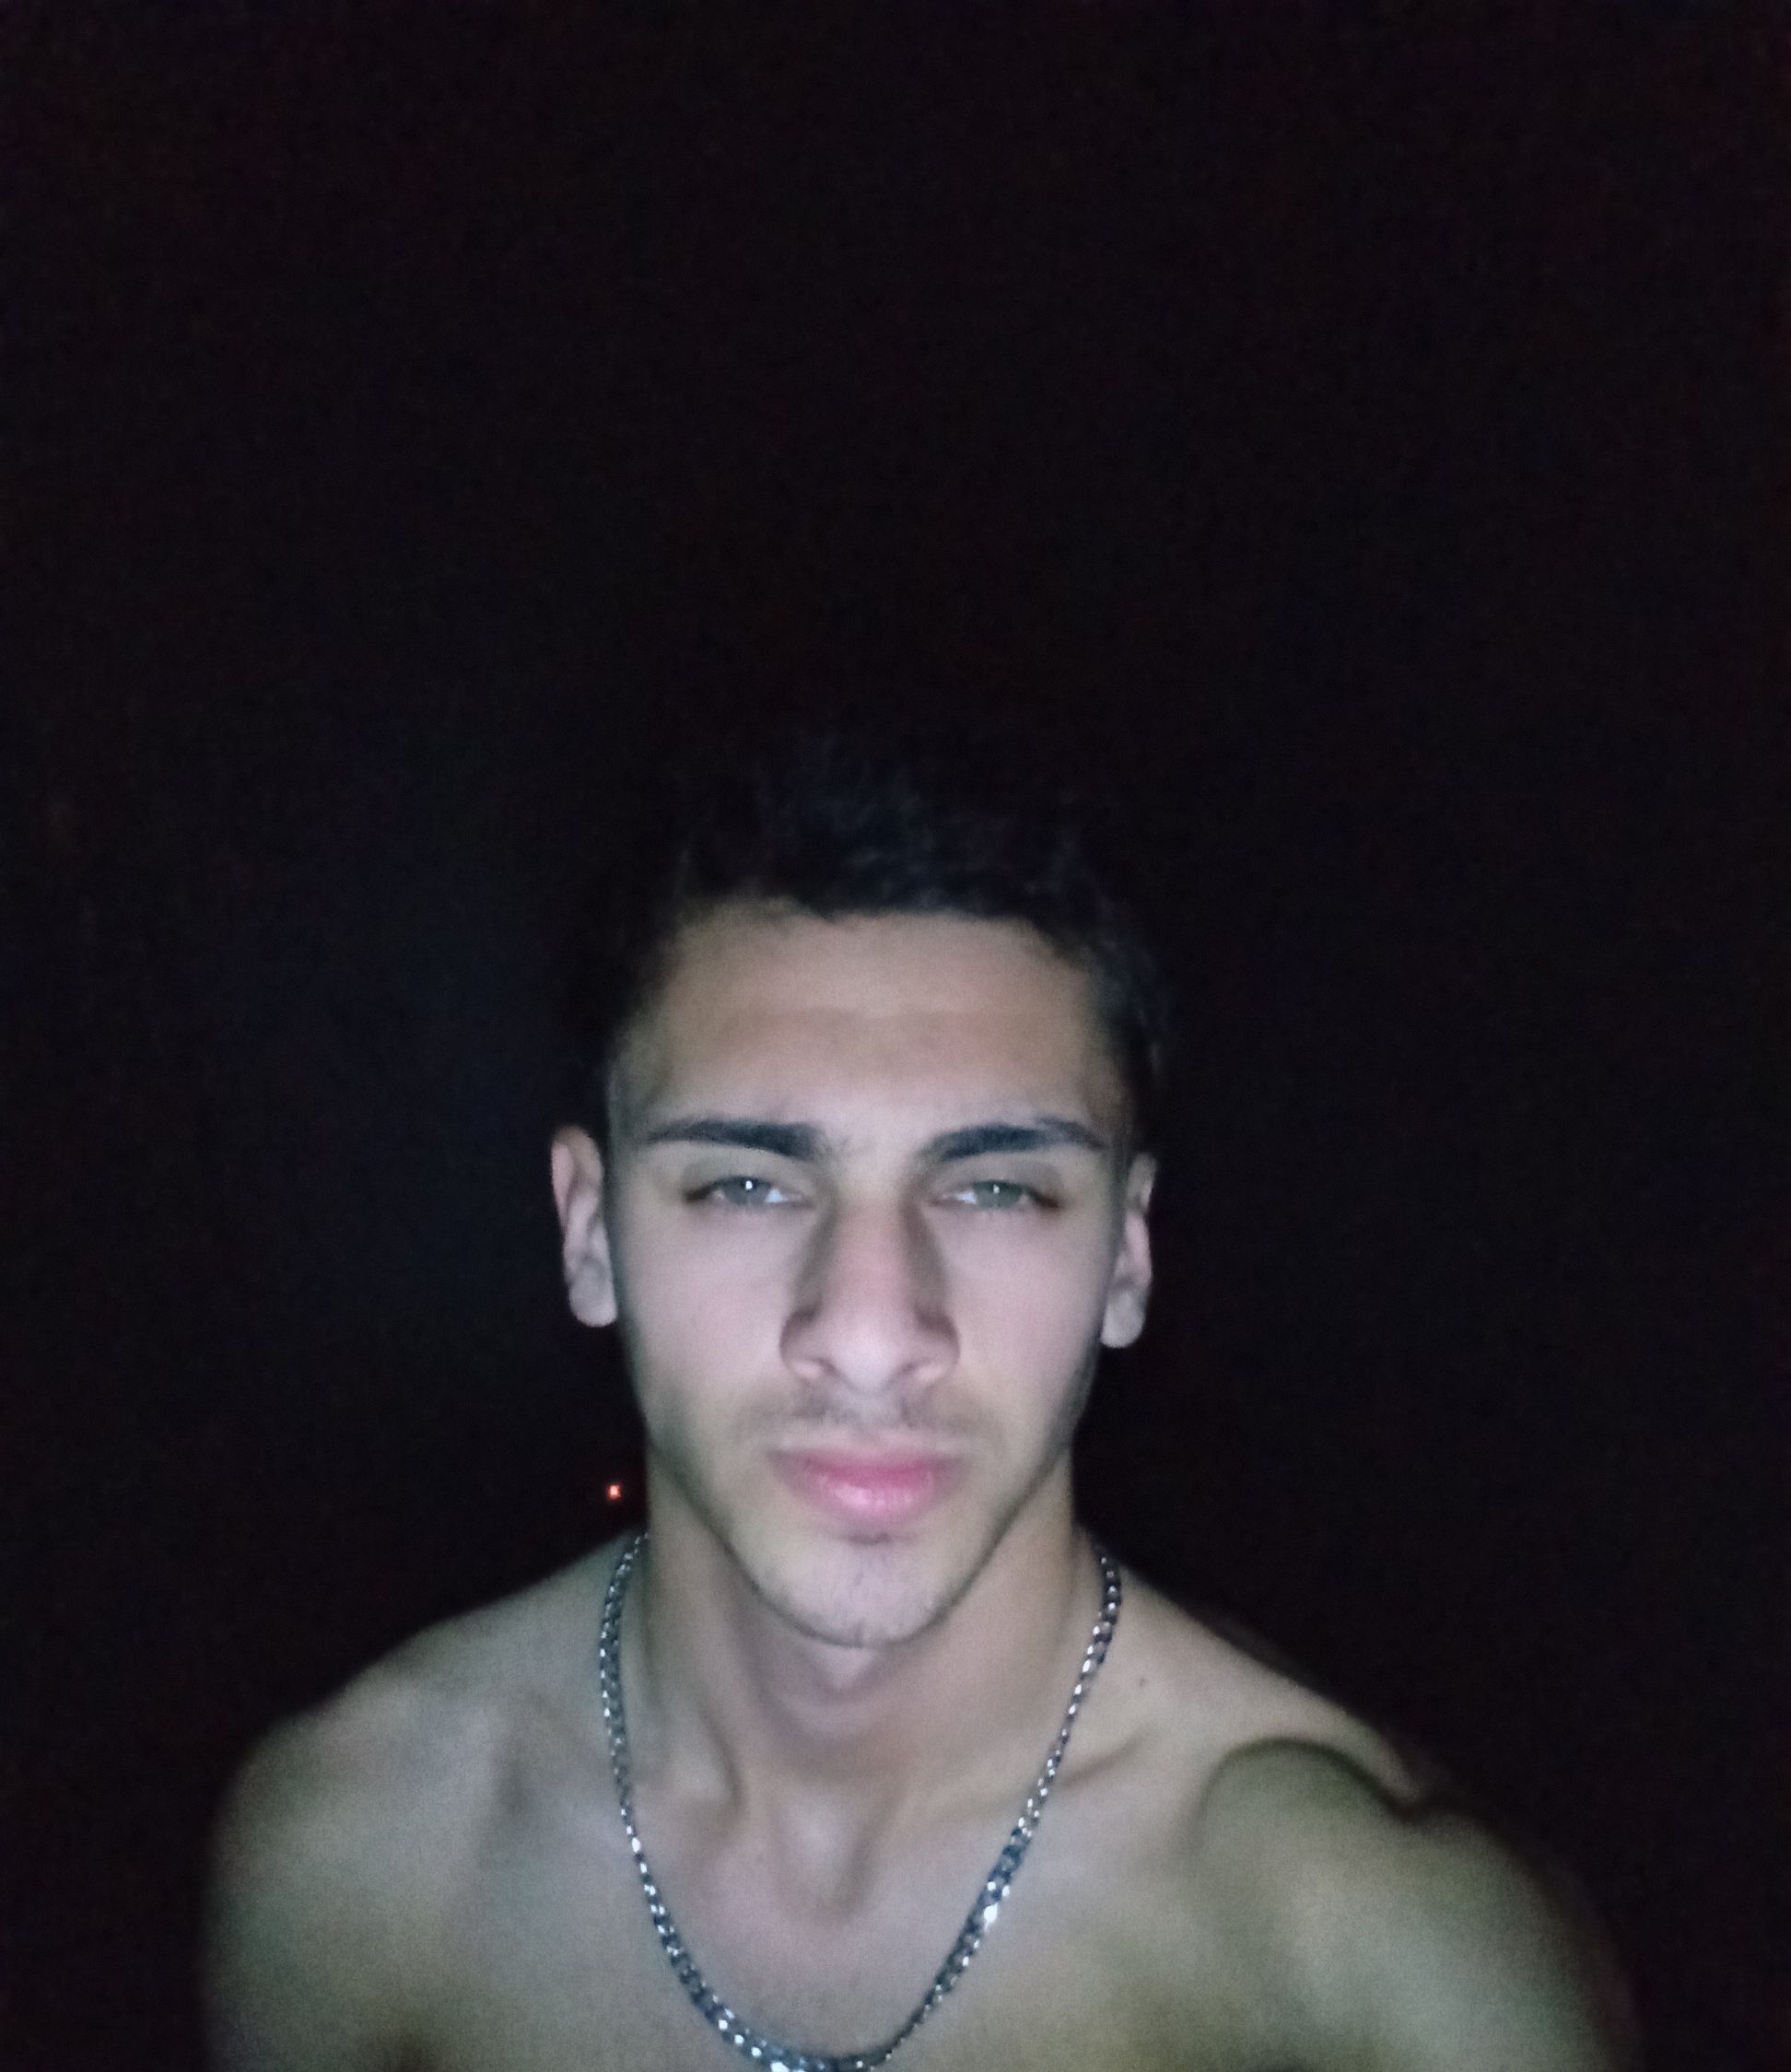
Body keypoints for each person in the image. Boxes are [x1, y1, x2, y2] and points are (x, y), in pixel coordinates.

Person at [205, 720, 1634, 2069]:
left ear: (1127, 1256)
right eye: (747, 1183)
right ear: (589, 1231)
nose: (873, 1334)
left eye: (999, 1187)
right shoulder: (352, 1853)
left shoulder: (1394, 1952)